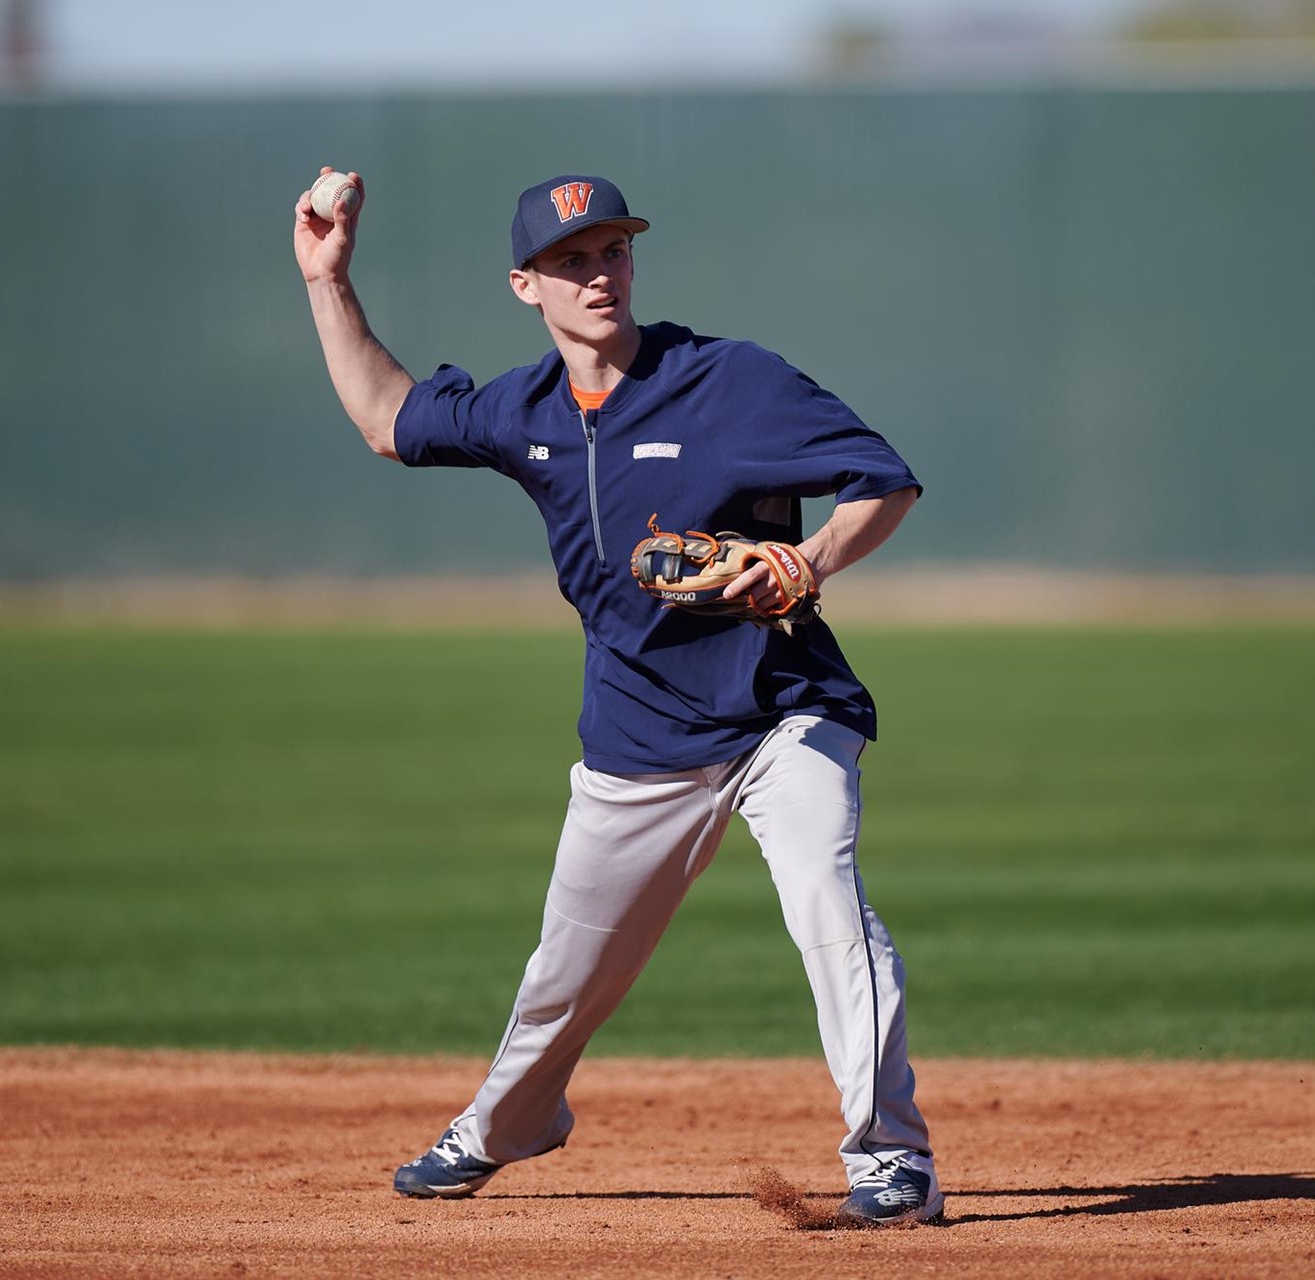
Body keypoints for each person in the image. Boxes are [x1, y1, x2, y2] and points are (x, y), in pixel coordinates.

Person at [291, 169, 940, 1227]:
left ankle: (891, 1158)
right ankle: (509, 1123)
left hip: (782, 703)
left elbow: (885, 478)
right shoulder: (527, 410)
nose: (599, 273)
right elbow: (387, 417)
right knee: (565, 974)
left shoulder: (731, 381)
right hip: (638, 735)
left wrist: (810, 558)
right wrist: (329, 277)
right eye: (570, 260)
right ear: (526, 286)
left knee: (828, 901)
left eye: (612, 251)